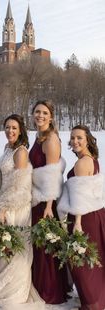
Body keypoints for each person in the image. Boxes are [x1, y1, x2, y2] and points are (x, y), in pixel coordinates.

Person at [0, 114, 44, 309]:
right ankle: (0, 288)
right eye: (7, 127)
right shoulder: (6, 148)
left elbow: (19, 186)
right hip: (3, 203)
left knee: (15, 246)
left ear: (20, 130)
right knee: (3, 246)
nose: (10, 131)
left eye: (14, 128)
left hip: (16, 206)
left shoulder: (21, 152)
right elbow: (4, 181)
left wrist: (4, 208)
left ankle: (13, 292)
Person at [57, 125, 105, 310]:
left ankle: (92, 303)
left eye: (79, 138)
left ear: (88, 140)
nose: (75, 141)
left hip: (84, 218)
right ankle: (97, 300)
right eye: (72, 138)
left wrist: (77, 223)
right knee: (93, 260)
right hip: (95, 214)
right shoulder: (93, 159)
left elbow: (79, 197)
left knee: (82, 261)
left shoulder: (81, 163)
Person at [29, 100, 69, 304]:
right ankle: (38, 284)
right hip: (37, 198)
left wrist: (47, 206)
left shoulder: (51, 140)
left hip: (47, 202)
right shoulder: (38, 136)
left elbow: (53, 176)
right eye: (37, 112)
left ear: (51, 117)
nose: (40, 115)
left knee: (46, 245)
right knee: (38, 245)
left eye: (45, 112)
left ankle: (50, 290)